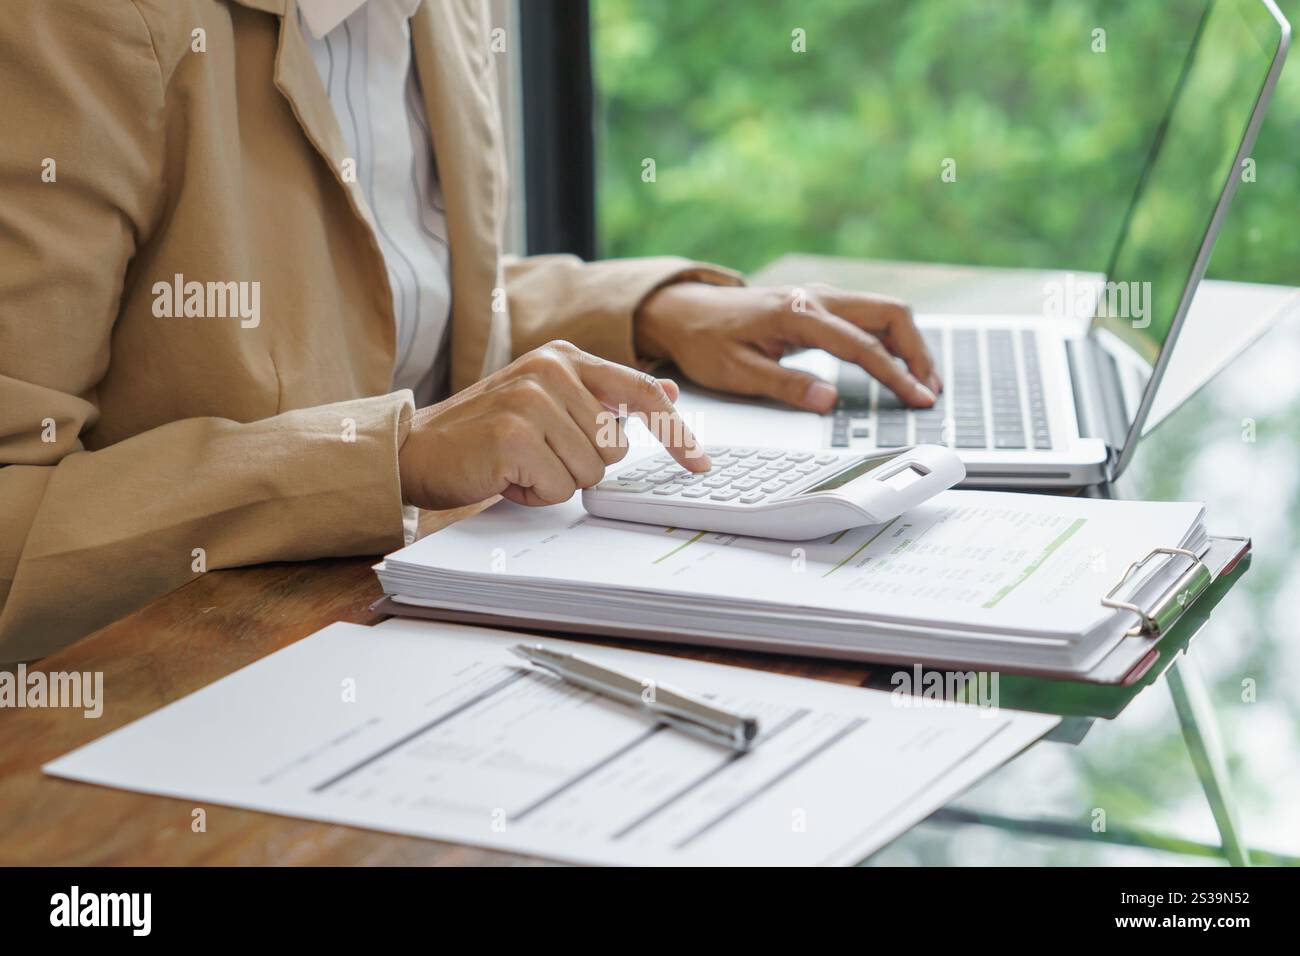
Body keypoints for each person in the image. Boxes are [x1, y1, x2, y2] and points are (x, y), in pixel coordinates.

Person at [0, 0, 939, 661]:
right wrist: (389, 455)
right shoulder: (83, 24)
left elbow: (390, 307)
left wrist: (653, 311)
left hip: (381, 642)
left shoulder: (443, 15)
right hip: (156, 721)